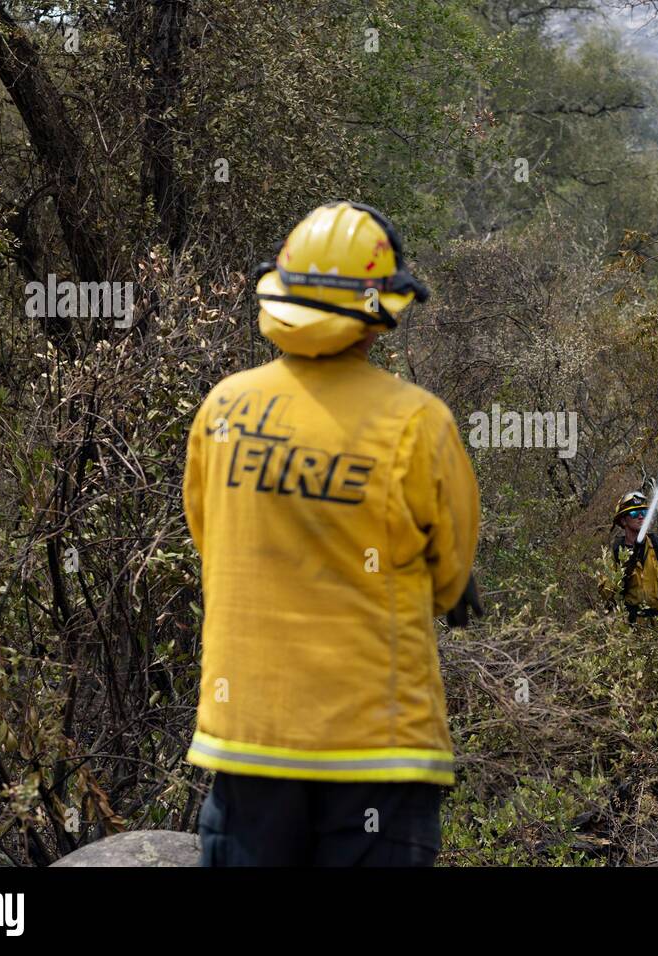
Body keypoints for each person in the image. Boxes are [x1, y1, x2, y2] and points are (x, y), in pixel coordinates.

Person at [182, 201, 481, 866]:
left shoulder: (223, 410)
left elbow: (214, 542)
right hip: (379, 752)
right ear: (381, 313)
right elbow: (450, 578)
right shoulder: (418, 423)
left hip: (248, 746)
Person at [601, 491, 658, 630]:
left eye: (644, 512)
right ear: (623, 520)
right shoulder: (614, 554)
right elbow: (606, 593)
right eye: (633, 513)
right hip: (630, 628)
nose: (640, 516)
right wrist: (624, 568)